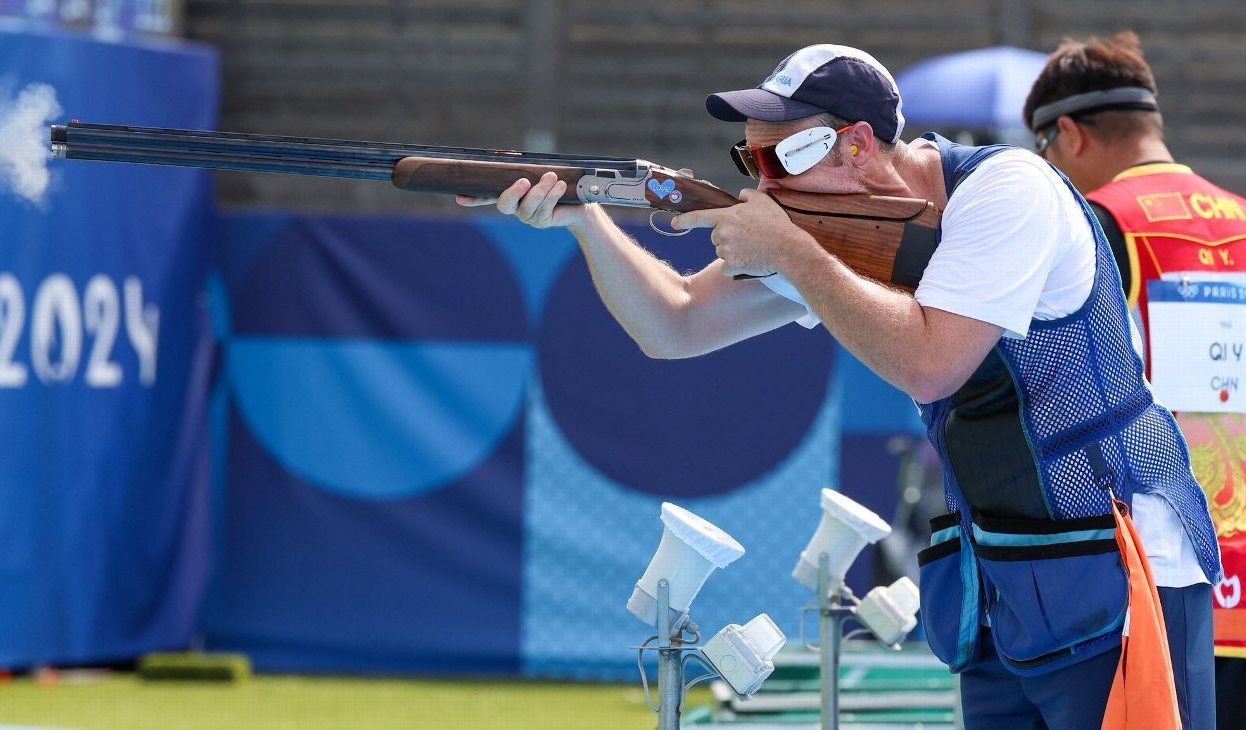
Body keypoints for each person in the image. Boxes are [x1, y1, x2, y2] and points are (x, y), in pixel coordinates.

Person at [459, 43, 1221, 727]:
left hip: (1122, 566)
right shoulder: (829, 236)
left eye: (779, 160)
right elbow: (676, 325)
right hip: (1003, 584)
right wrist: (587, 222)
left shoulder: (1008, 189)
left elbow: (932, 362)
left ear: (856, 145)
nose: (762, 184)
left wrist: (792, 253)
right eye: (747, 161)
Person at [1026, 31, 1244, 729]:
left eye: (1043, 150)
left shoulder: (1093, 224)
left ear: (1068, 133)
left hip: (1169, 582)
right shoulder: (1241, 218)